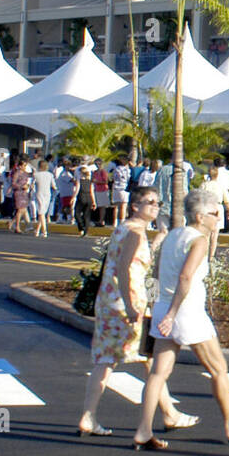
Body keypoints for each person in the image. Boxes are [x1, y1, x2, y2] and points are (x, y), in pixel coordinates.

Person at [132, 190, 229, 449]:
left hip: (162, 310)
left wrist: (154, 306)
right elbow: (185, 278)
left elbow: (153, 274)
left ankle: (143, 431)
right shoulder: (199, 240)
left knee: (158, 373)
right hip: (187, 313)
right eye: (215, 214)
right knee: (218, 369)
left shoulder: (171, 236)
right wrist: (171, 313)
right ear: (200, 216)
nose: (219, 218)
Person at [78, 186, 196, 437]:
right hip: (126, 304)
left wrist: (157, 241)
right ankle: (169, 414)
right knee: (150, 357)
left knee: (108, 360)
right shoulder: (134, 233)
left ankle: (89, 416)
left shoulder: (125, 229)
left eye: (157, 202)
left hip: (109, 302)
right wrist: (132, 306)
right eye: (149, 202)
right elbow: (123, 270)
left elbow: (132, 264)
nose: (155, 206)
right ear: (135, 206)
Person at [32, 159, 56, 238]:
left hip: (39, 193)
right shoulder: (50, 175)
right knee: (42, 213)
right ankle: (38, 231)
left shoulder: (36, 175)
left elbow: (32, 185)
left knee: (41, 213)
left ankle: (44, 231)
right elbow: (53, 186)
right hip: (48, 194)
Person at [8, 158, 32, 233]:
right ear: (20, 166)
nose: (25, 167)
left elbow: (29, 180)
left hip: (24, 193)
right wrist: (21, 186)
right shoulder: (17, 173)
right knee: (20, 210)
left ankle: (12, 223)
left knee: (23, 210)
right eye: (24, 165)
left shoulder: (26, 173)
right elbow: (13, 184)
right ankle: (17, 227)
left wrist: (27, 186)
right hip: (19, 192)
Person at [74, 161, 96, 237]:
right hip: (89, 198)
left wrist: (73, 197)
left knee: (77, 213)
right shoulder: (90, 182)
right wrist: (94, 202)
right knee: (86, 215)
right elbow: (92, 192)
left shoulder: (79, 181)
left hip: (81, 196)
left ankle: (81, 227)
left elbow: (77, 189)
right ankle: (85, 231)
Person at [111, 156, 132, 226]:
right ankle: (121, 222)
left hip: (116, 188)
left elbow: (113, 178)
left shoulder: (116, 169)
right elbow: (128, 178)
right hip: (124, 188)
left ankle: (114, 222)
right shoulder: (127, 170)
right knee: (123, 206)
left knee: (116, 206)